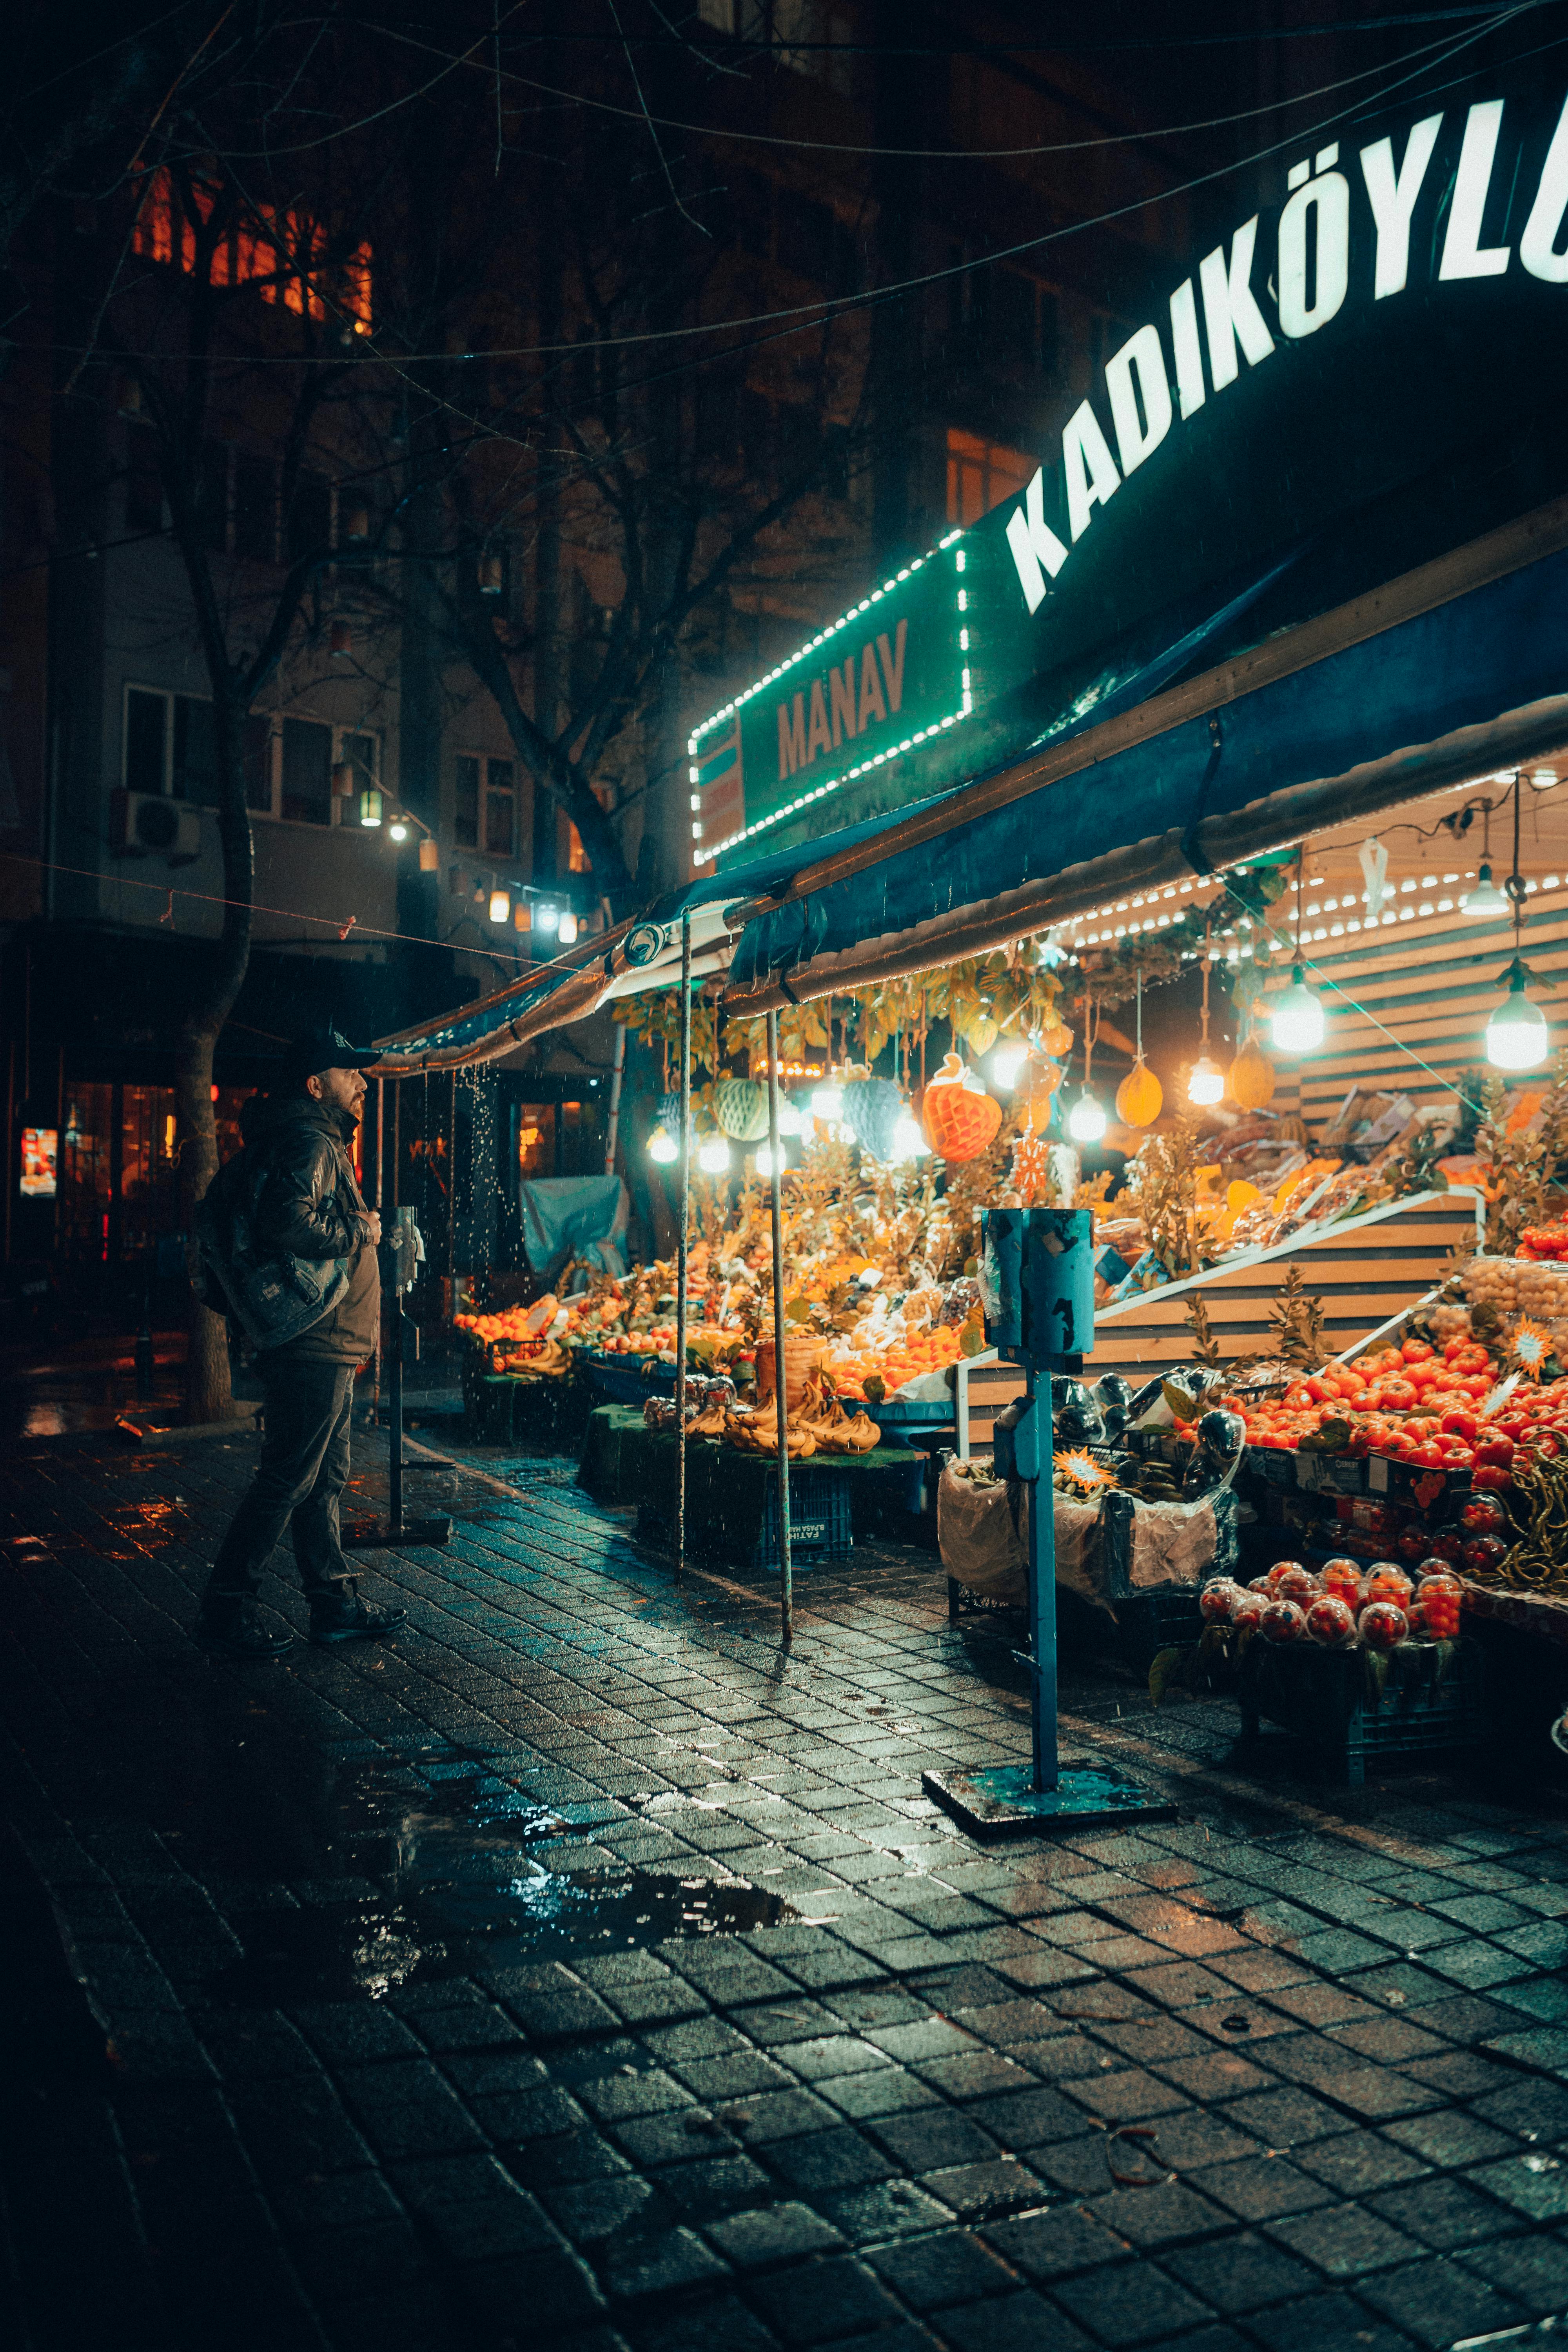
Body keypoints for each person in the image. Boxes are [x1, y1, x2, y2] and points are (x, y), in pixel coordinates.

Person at [194, 1025, 408, 1660]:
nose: (362, 1082)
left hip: (326, 1342)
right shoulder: (310, 1139)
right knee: (289, 1477)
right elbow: (286, 1221)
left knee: (323, 1477)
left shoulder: (308, 1137)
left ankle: (334, 1604)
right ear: (317, 1086)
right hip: (315, 1340)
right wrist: (361, 1229)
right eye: (350, 1074)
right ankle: (227, 1612)